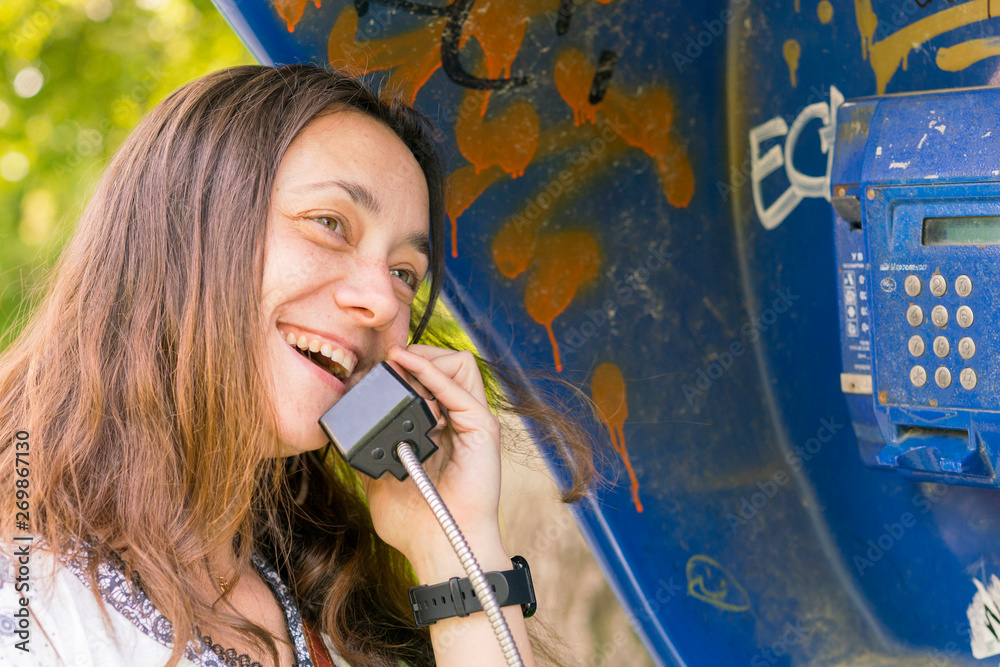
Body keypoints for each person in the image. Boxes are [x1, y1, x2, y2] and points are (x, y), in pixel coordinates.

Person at [0, 65, 594, 667]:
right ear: (183, 224)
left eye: (404, 273)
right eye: (330, 224)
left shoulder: (328, 599)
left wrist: (452, 545)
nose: (385, 302)